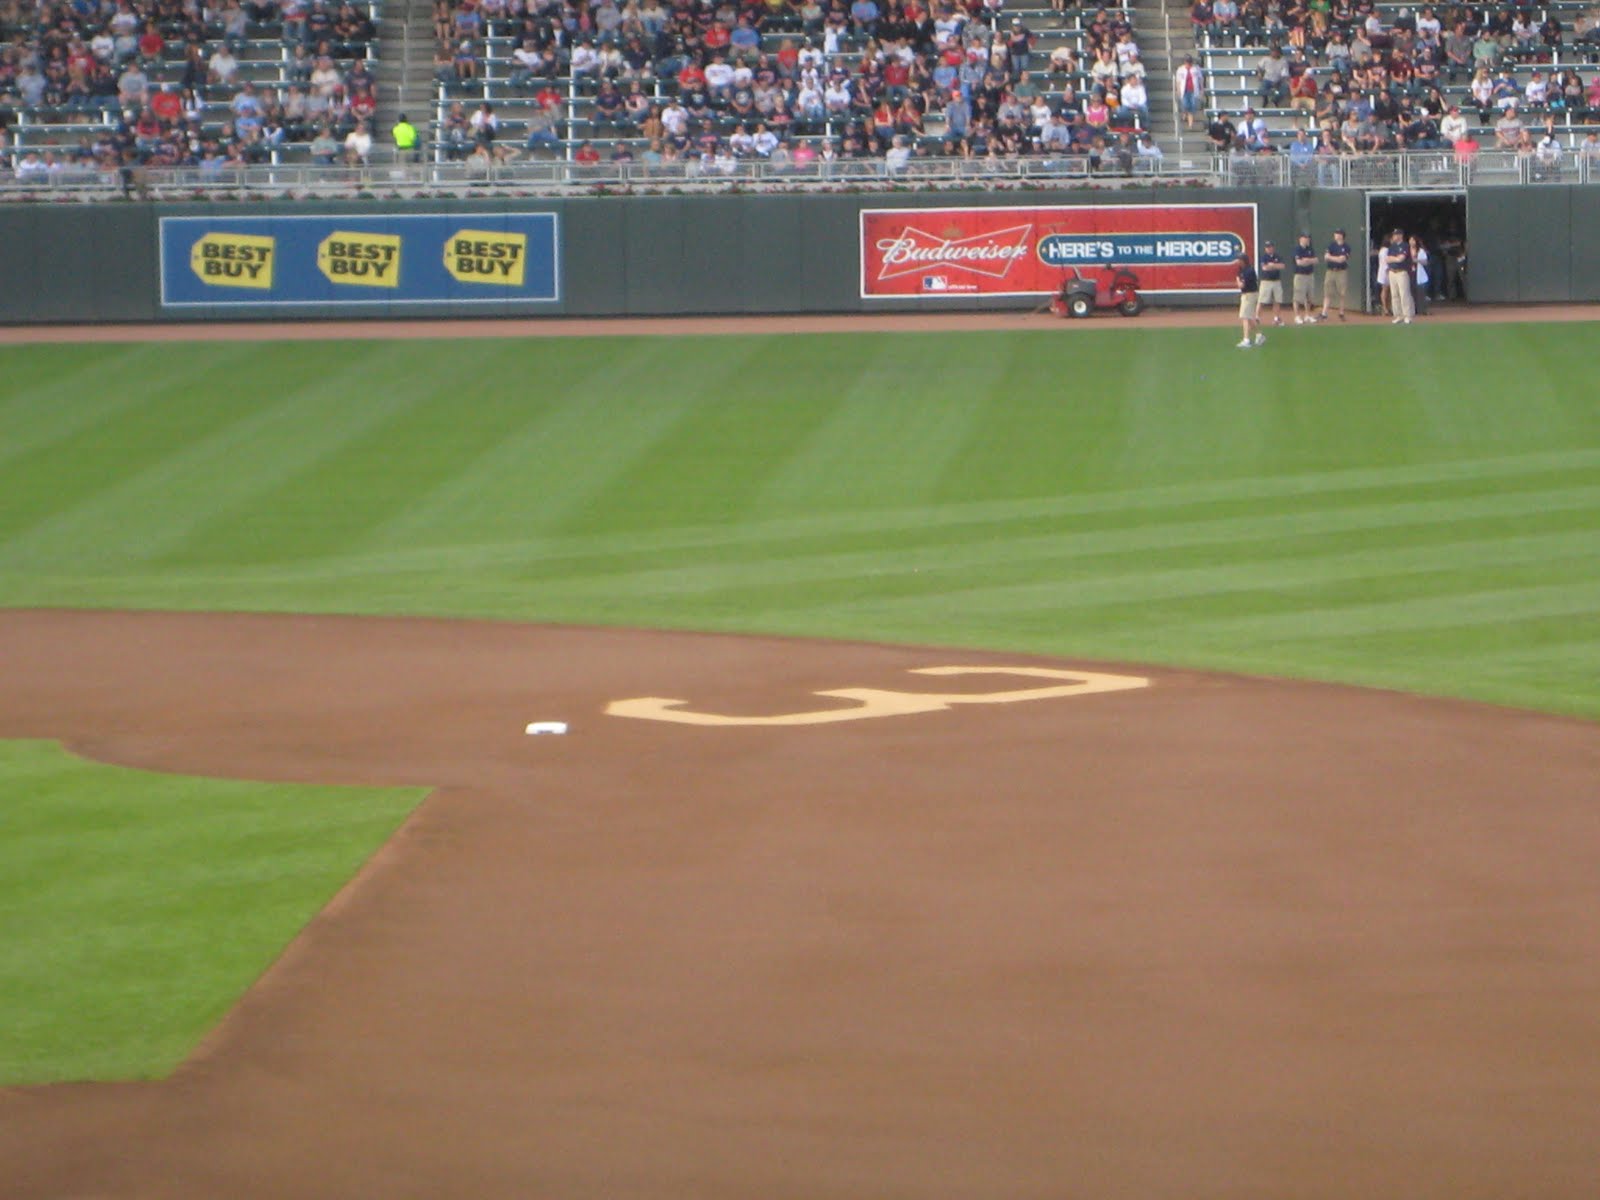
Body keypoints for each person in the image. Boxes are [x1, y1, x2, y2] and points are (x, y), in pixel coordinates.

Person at [1320, 227, 1350, 321]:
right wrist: (1336, 258)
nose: (1336, 235)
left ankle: (1341, 313)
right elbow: (1326, 257)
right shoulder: (1331, 245)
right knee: (1327, 292)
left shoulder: (1346, 247)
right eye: (1335, 234)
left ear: (1341, 236)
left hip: (1341, 272)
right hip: (1330, 271)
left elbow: (1342, 260)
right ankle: (1324, 313)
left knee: (1342, 293)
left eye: (1337, 234)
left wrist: (1332, 257)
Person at [1384, 229, 1414, 324]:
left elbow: (1401, 259)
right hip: (1392, 272)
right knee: (1394, 295)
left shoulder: (1405, 246)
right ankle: (1398, 315)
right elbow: (1387, 259)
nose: (1395, 236)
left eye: (1397, 235)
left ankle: (1407, 316)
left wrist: (1395, 258)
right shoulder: (1392, 247)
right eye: (1394, 235)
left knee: (1404, 294)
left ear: (1401, 235)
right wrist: (1395, 258)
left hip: (1402, 272)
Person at [1236, 250, 1264, 348]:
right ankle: (1259, 335)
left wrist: (1239, 281)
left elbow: (1241, 285)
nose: (1237, 261)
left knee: (1245, 317)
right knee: (1249, 317)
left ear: (1243, 260)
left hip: (1250, 295)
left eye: (1239, 259)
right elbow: (1238, 280)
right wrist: (1239, 281)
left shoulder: (1249, 270)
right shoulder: (1241, 269)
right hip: (1247, 295)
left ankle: (1246, 339)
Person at [1258, 238, 1286, 326]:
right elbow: (1264, 268)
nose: (1269, 249)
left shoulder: (1277, 256)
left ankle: (1276, 318)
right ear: (1265, 249)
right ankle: (1257, 317)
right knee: (1261, 300)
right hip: (1266, 281)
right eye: (1267, 247)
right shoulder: (1263, 257)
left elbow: (1282, 266)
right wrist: (1274, 266)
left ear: (1273, 247)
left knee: (1277, 300)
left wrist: (1273, 265)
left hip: (1276, 281)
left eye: (1270, 247)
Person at [1291, 233, 1317, 323]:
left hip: (1310, 275)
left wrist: (1307, 260)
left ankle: (1307, 315)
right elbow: (1299, 262)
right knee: (1297, 297)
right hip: (1300, 275)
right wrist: (1308, 261)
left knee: (1309, 297)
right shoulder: (1297, 249)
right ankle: (1297, 316)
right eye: (1305, 238)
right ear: (1300, 239)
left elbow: (1316, 260)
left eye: (1307, 238)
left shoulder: (1310, 249)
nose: (1307, 240)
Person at [1410, 236, 1431, 315]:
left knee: (1421, 293)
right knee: (1412, 293)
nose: (1411, 242)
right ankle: (1413, 310)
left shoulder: (1421, 251)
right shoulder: (1407, 250)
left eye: (1413, 240)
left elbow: (1425, 262)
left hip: (1419, 273)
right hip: (1410, 273)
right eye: (1410, 240)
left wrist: (1417, 260)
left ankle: (1422, 310)